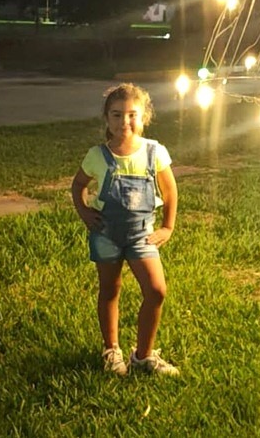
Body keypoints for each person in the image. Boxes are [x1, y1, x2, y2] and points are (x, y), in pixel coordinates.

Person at [71, 83, 179, 377]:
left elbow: (170, 190)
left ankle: (143, 356)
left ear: (144, 116)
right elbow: (78, 185)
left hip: (142, 235)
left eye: (132, 114)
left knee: (156, 290)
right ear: (107, 119)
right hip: (106, 234)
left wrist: (168, 226)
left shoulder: (154, 152)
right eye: (117, 115)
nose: (125, 122)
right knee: (110, 289)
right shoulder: (97, 155)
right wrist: (84, 211)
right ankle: (111, 349)